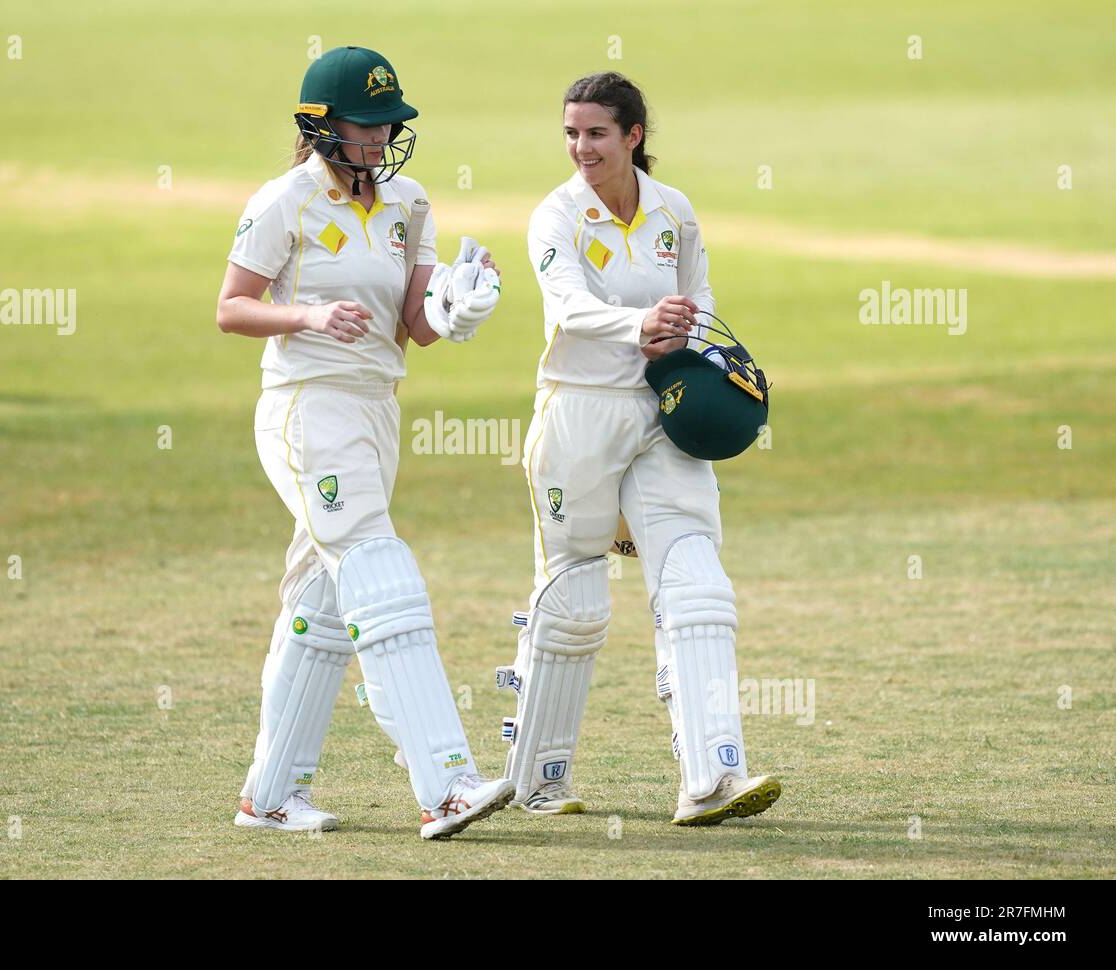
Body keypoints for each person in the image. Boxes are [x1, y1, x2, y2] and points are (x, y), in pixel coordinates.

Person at [215, 45, 511, 839]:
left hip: (377, 410)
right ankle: (447, 784)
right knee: (380, 572)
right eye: (366, 123)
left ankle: (270, 796)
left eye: (390, 124)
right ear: (321, 126)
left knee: (324, 600)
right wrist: (307, 316)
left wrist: (457, 310)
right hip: (306, 408)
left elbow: (413, 327)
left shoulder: (409, 202)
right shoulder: (286, 202)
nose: (381, 138)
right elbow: (233, 308)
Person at [496, 72, 782, 825]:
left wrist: (688, 338)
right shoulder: (554, 215)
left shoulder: (673, 211)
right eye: (570, 133)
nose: (580, 147)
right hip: (579, 414)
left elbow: (702, 295)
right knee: (575, 602)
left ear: (634, 136)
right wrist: (641, 325)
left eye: (595, 132)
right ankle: (537, 780)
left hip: (662, 405)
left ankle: (713, 776)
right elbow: (568, 307)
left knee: (695, 578)